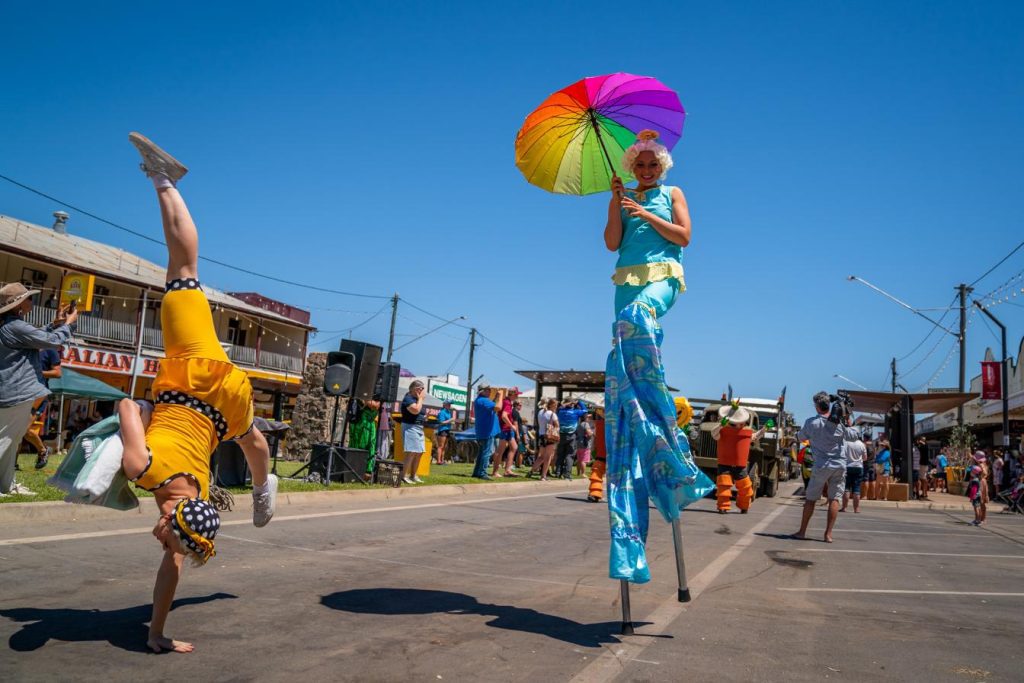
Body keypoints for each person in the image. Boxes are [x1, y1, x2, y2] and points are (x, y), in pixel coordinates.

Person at [113, 132, 278, 653]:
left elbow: (173, 570)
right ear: (169, 518)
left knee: (251, 440)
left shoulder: (200, 503)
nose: (165, 545)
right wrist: (140, 408)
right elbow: (124, 405)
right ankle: (164, 179)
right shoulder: (144, 470)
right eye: (169, 537)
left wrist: (159, 632)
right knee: (183, 273)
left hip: (225, 401)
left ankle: (261, 491)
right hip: (192, 379)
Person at [602, 129, 713, 583]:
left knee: (639, 315)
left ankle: (654, 400)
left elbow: (684, 236)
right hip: (626, 278)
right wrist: (617, 203)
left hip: (661, 276)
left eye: (652, 164)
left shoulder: (672, 193)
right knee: (626, 325)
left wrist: (647, 211)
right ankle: (635, 398)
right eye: (640, 165)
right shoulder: (624, 196)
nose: (646, 170)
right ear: (632, 169)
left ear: (662, 167)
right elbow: (611, 243)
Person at [0, 283, 78, 496]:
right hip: (16, 391)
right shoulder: (15, 326)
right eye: (29, 298)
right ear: (18, 305)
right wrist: (69, 325)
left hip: (12, 391)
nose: (32, 302)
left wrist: (54, 324)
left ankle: (6, 485)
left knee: (12, 439)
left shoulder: (10, 325)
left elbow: (36, 337)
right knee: (6, 440)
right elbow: (51, 342)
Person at [792, 392, 860, 543]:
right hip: (839, 465)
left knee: (810, 499)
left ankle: (802, 531)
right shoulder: (840, 425)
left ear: (817, 406)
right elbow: (854, 435)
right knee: (834, 498)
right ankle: (828, 534)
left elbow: (800, 437)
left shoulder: (812, 423)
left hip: (821, 465)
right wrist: (847, 415)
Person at [711, 402, 766, 514]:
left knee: (745, 487)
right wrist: (721, 425)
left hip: (740, 464)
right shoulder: (722, 431)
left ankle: (744, 505)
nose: (741, 425)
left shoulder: (745, 433)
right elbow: (714, 434)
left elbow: (755, 437)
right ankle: (723, 507)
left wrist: (764, 429)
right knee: (723, 486)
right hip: (725, 462)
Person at [20, 346, 62, 470]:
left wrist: (39, 372)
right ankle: (13, 464)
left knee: (23, 428)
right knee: (17, 430)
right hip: (23, 393)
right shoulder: (27, 350)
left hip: (39, 395)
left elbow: (57, 373)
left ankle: (43, 450)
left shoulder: (50, 351)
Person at [471, 385, 503, 480]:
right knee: (486, 453)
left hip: (483, 431)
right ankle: (482, 473)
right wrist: (500, 396)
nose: (490, 391)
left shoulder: (480, 400)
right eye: (488, 390)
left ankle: (477, 472)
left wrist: (496, 397)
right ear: (483, 391)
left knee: (482, 453)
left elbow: (492, 406)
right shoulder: (484, 400)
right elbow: (498, 407)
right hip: (487, 431)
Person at [400, 380, 427, 484]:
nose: (422, 390)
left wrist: (425, 417)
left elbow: (419, 412)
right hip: (410, 427)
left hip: (419, 427)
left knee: (419, 452)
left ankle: (413, 475)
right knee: (411, 452)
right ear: (415, 389)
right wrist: (420, 399)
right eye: (421, 388)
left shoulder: (417, 399)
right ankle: (403, 476)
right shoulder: (408, 399)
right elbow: (415, 410)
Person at [554, 399, 589, 480]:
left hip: (561, 435)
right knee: (570, 455)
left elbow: (560, 406)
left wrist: (565, 403)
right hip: (572, 435)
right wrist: (579, 402)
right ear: (572, 404)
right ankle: (567, 474)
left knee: (560, 454)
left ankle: (558, 472)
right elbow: (585, 410)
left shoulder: (560, 411)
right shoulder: (576, 412)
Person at [492, 387, 519, 477]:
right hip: (504, 429)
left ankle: (507, 470)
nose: (517, 396)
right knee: (500, 451)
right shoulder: (507, 403)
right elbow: (504, 416)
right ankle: (495, 472)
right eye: (516, 394)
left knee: (514, 447)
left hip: (507, 429)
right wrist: (512, 426)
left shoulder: (506, 402)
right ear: (513, 394)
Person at [529, 398, 558, 481]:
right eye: (555, 405)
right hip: (549, 436)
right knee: (548, 457)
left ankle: (532, 471)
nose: (556, 407)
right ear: (552, 405)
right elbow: (557, 425)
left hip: (541, 435)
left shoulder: (540, 412)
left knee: (541, 456)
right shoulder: (552, 414)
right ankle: (543, 476)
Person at [841, 438, 866, 513]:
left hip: (848, 466)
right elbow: (865, 458)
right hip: (858, 467)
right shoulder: (862, 444)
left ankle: (844, 507)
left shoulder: (846, 443)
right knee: (857, 488)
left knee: (846, 487)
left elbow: (842, 454)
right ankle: (856, 509)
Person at [587, 408, 607, 502]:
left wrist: (593, 449)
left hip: (602, 453)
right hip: (617, 455)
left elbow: (594, 439)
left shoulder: (598, 424)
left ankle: (595, 493)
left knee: (597, 472)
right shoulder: (622, 424)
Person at [434, 400, 455, 465]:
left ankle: (442, 460)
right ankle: (439, 461)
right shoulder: (442, 412)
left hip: (447, 430)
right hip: (442, 430)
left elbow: (447, 421)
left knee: (444, 446)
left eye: (450, 404)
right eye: (448, 404)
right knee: (440, 446)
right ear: (444, 405)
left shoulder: (448, 412)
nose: (450, 405)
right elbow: (441, 422)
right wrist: (450, 420)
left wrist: (451, 421)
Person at [575, 412, 594, 478]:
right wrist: (592, 433)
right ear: (585, 418)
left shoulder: (579, 424)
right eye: (588, 417)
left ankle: (578, 473)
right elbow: (589, 433)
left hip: (578, 443)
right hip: (585, 443)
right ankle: (583, 473)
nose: (589, 419)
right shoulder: (586, 424)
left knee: (579, 459)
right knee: (584, 459)